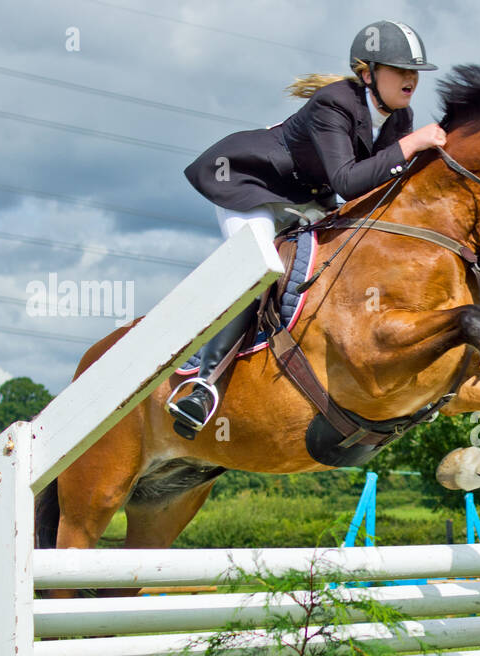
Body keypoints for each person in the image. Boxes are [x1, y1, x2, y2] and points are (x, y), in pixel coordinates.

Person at [168, 19, 447, 438]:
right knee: (262, 266)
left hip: (306, 201)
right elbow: (348, 181)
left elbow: (380, 186)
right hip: (250, 186)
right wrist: (411, 146)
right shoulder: (333, 102)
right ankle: (202, 383)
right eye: (401, 70)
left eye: (415, 72)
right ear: (367, 72)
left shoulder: (398, 118)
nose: (411, 80)